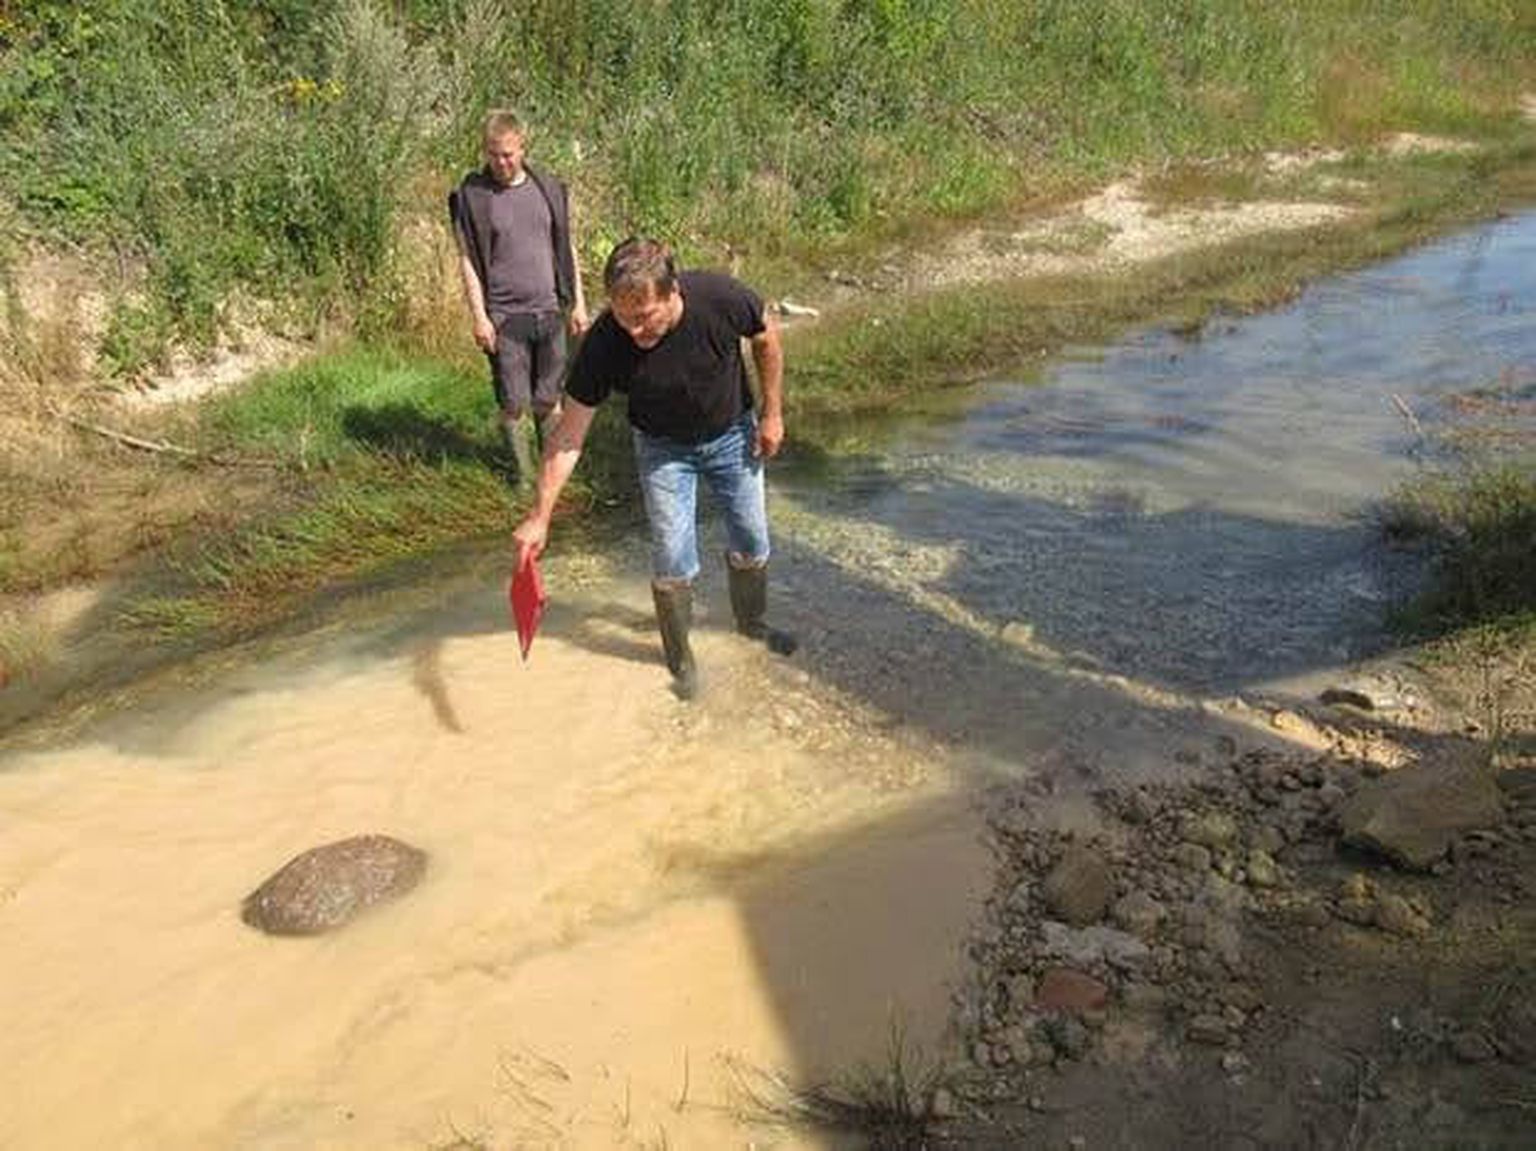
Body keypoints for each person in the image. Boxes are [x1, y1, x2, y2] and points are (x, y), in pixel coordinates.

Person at [513, 237, 797, 698]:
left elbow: (765, 337)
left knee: (752, 541)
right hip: (663, 449)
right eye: (623, 316)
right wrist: (541, 514)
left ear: (673, 292)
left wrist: (772, 412)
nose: (633, 330)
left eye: (644, 316)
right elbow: (569, 435)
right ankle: (680, 662)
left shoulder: (721, 298)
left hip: (731, 434)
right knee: (673, 559)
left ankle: (752, 626)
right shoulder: (606, 340)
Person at [448, 109, 588, 482]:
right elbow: (467, 262)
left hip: (551, 310)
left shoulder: (548, 188)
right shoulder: (472, 197)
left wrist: (578, 303)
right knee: (513, 403)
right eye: (494, 154)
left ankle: (553, 477)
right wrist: (479, 317)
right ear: (485, 150)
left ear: (523, 147)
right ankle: (521, 480)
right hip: (505, 317)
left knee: (549, 399)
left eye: (508, 154)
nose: (501, 162)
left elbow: (567, 247)